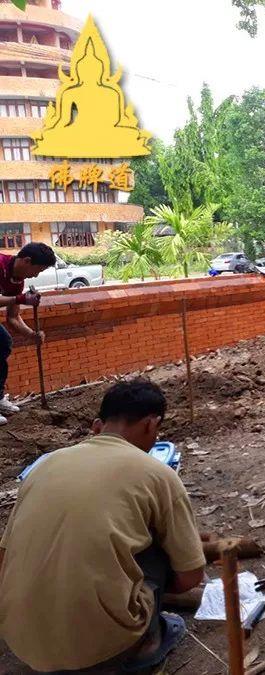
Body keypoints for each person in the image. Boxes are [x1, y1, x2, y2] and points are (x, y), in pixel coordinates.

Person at [0, 380, 205, 673]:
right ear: (152, 424)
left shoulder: (42, 467)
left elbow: (4, 557)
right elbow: (190, 576)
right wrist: (147, 587)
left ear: (97, 426)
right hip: (99, 651)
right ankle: (145, 642)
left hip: (21, 642)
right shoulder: (158, 474)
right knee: (157, 549)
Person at [0, 242, 56, 425]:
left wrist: (32, 335)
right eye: (37, 270)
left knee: (3, 343)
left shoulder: (17, 282)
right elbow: (17, 300)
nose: (36, 275)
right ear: (26, 261)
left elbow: (13, 317)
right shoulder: (0, 265)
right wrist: (20, 298)